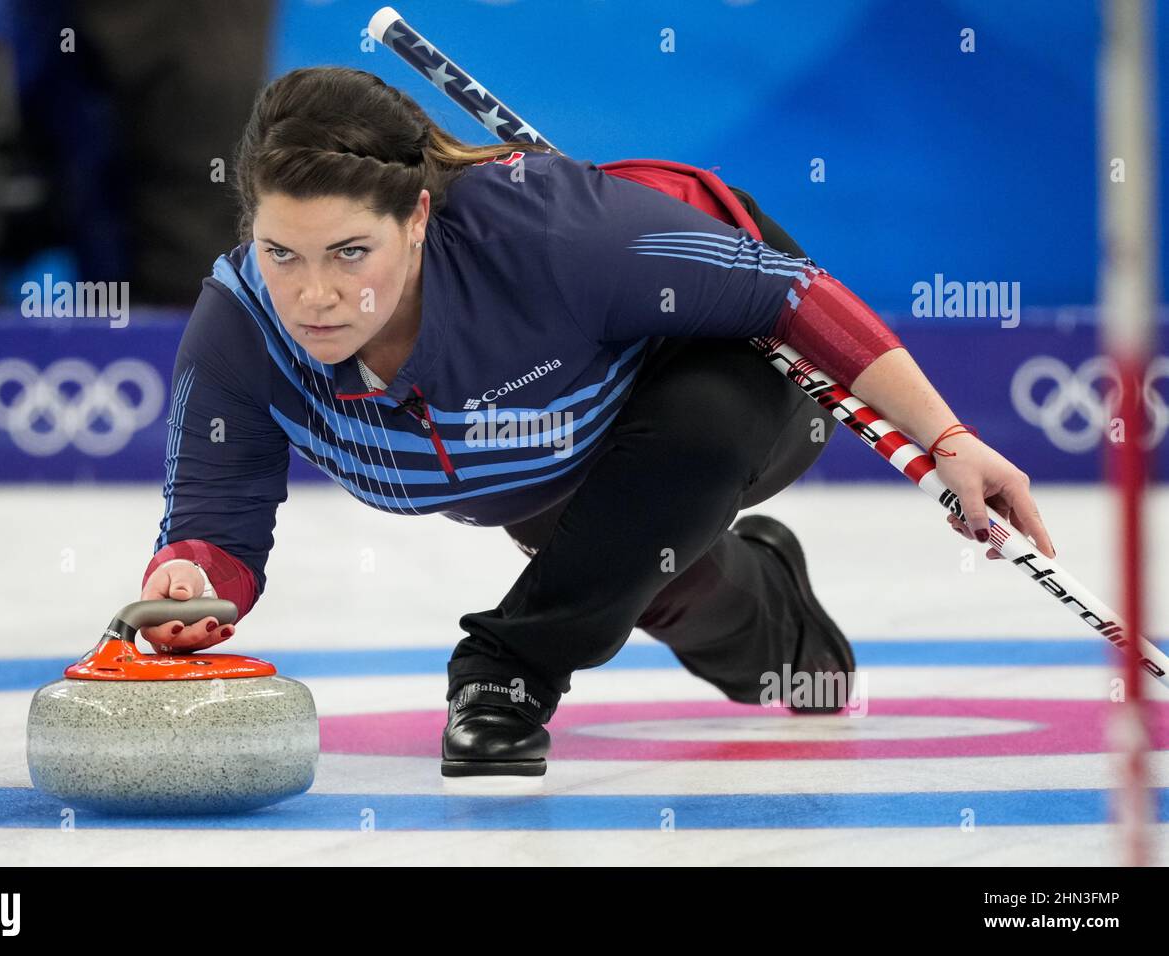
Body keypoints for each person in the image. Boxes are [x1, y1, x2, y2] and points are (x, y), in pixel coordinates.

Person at [137, 66, 1057, 779]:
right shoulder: (242, 328)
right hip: (555, 463)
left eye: (350, 253)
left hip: (732, 351)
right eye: (281, 253)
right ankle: (780, 619)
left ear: (416, 218)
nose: (314, 295)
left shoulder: (548, 237)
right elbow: (215, 522)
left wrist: (949, 440)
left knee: (692, 439)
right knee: (653, 575)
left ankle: (506, 673)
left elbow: (791, 294)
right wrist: (190, 580)